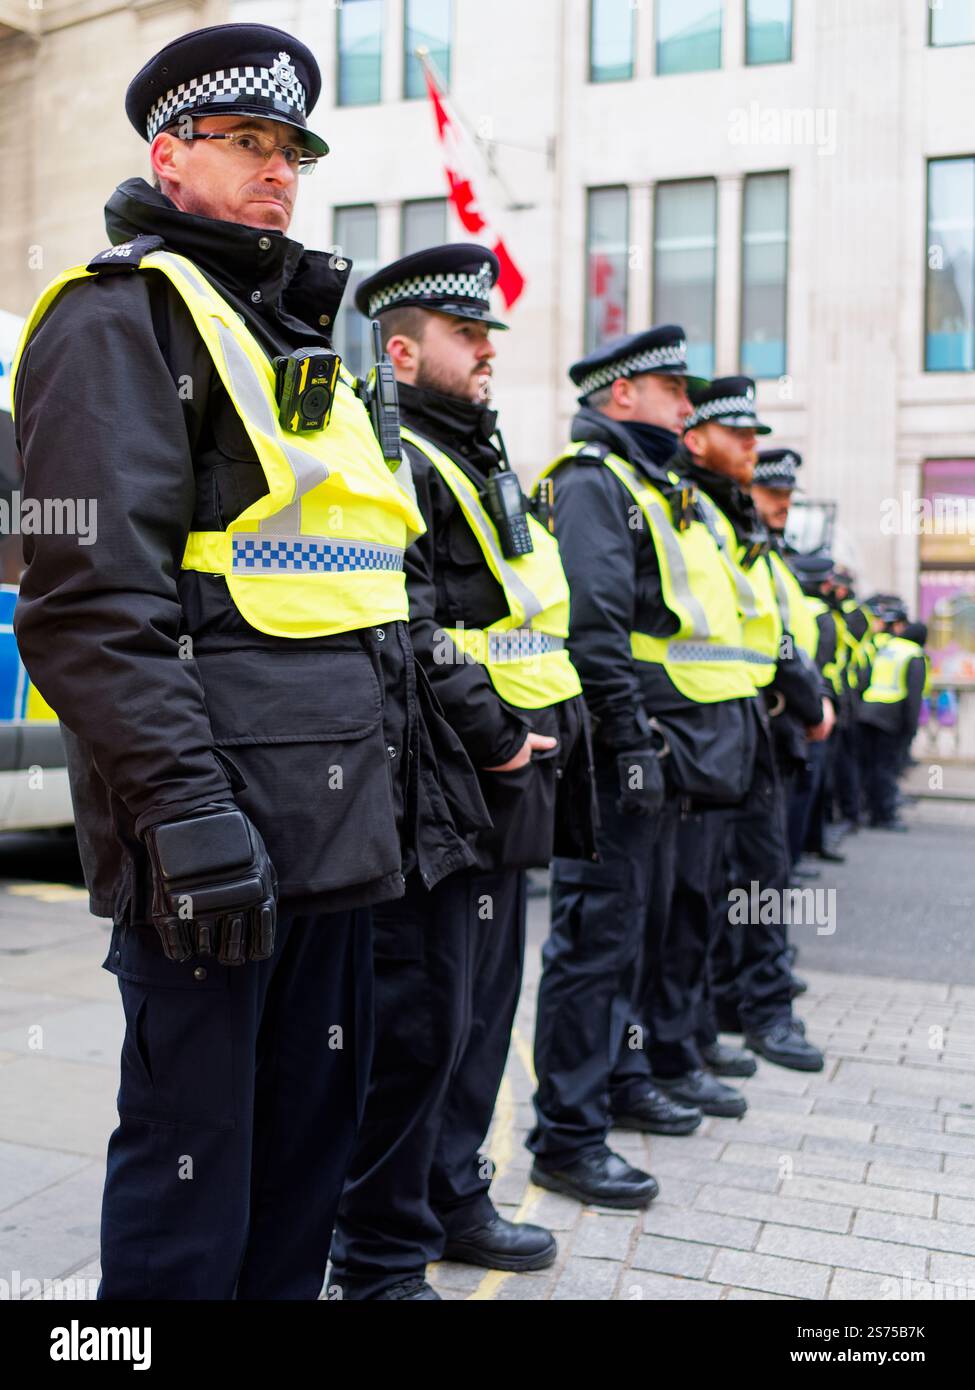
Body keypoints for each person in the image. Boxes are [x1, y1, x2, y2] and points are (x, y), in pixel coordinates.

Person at [11, 23, 482, 1300]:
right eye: (249, 144)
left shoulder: (293, 338)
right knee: (189, 1178)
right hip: (214, 843)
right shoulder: (125, 318)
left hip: (332, 841)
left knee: (299, 1167)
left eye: (293, 150)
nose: (280, 170)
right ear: (171, 158)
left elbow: (361, 595)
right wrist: (188, 817)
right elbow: (91, 605)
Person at [330, 245, 594, 1299]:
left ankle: (450, 1195)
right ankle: (379, 1253)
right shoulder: (397, 450)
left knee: (480, 1014)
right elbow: (412, 620)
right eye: (465, 334)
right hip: (447, 778)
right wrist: (493, 733)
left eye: (488, 333)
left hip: (507, 777)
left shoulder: (475, 451)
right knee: (418, 1022)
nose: (488, 349)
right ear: (401, 349)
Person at [527, 328, 766, 1211]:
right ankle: (566, 1135)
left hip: (672, 747)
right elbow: (595, 629)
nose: (685, 403)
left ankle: (621, 1083)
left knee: (636, 935)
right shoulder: (590, 483)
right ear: (620, 395)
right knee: (594, 944)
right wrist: (628, 744)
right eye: (671, 387)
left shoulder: (653, 487)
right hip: (629, 748)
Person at [676, 393, 827, 1072]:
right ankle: (755, 1007)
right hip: (733, 725)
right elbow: (771, 646)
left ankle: (743, 1000)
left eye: (785, 496)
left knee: (755, 880)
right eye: (770, 490)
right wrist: (810, 700)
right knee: (740, 882)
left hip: (761, 734)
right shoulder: (716, 527)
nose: (778, 503)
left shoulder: (763, 550)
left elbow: (783, 634)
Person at [857, 600, 926, 830]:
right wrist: (911, 727)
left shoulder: (888, 647)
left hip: (867, 711)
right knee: (887, 768)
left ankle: (869, 810)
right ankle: (884, 815)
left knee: (871, 765)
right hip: (890, 716)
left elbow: (865, 678)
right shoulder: (914, 653)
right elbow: (913, 696)